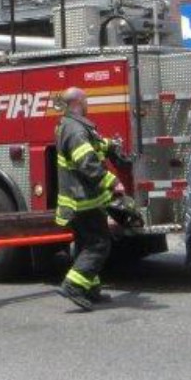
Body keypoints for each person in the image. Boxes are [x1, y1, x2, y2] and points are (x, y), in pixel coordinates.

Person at [53, 86, 129, 311]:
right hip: (82, 200)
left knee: (87, 243)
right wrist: (112, 181)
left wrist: (110, 146)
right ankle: (73, 285)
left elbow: (93, 145)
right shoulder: (75, 130)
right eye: (86, 101)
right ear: (77, 103)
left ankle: (91, 288)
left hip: (79, 199)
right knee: (99, 244)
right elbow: (87, 162)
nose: (88, 105)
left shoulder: (70, 125)